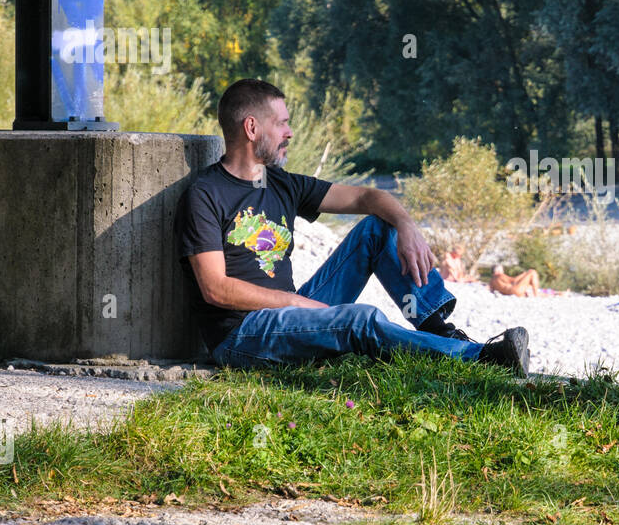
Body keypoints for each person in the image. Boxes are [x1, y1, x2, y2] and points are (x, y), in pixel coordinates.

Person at [174, 78, 529, 375]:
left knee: (378, 228)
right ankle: (480, 360)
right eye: (281, 123)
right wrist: (295, 303)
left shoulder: (282, 184)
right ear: (251, 128)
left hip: (292, 315)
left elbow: (366, 198)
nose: (290, 132)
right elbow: (215, 289)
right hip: (242, 335)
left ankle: (443, 333)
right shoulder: (205, 194)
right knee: (360, 321)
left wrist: (406, 225)